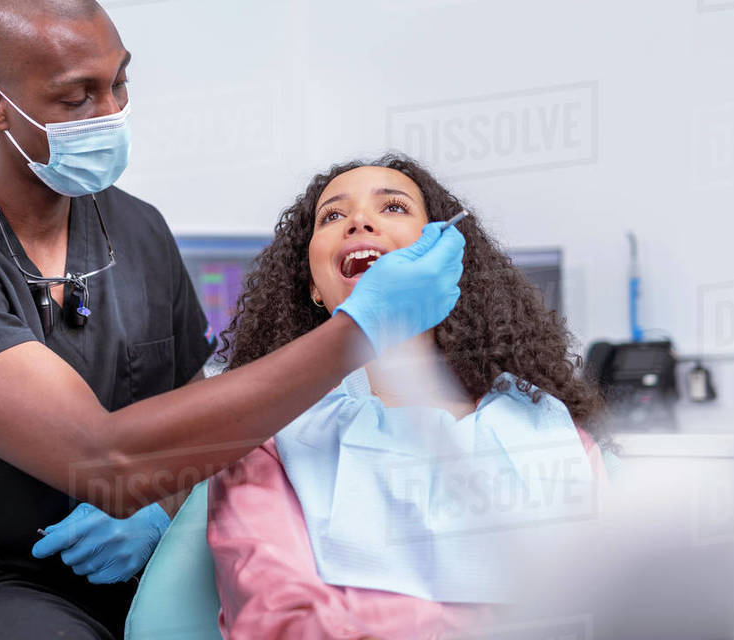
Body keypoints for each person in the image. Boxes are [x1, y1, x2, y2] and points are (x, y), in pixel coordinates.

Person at [0, 0, 466, 640]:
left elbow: (199, 420)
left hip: (154, 564)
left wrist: (163, 510)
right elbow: (102, 459)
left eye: (119, 83)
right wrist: (362, 330)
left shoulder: (138, 229)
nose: (109, 113)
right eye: (76, 97)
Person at [206, 154, 610, 640]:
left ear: (447, 261)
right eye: (333, 215)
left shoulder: (551, 434)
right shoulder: (271, 438)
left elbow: (603, 607)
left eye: (393, 207)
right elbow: (278, 619)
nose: (359, 221)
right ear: (314, 286)